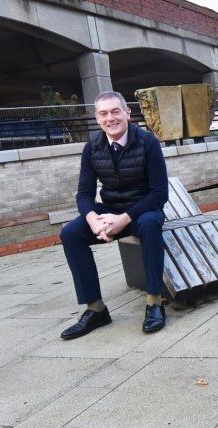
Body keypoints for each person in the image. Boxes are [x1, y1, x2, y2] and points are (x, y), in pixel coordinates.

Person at [59, 91, 170, 340]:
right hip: (110, 210)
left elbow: (160, 193)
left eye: (115, 111)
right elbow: (84, 194)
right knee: (70, 233)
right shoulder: (92, 147)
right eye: (104, 113)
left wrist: (123, 219)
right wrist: (93, 220)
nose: (110, 118)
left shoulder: (147, 142)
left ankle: (154, 303)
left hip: (143, 210)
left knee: (152, 224)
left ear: (127, 113)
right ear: (97, 118)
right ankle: (96, 309)